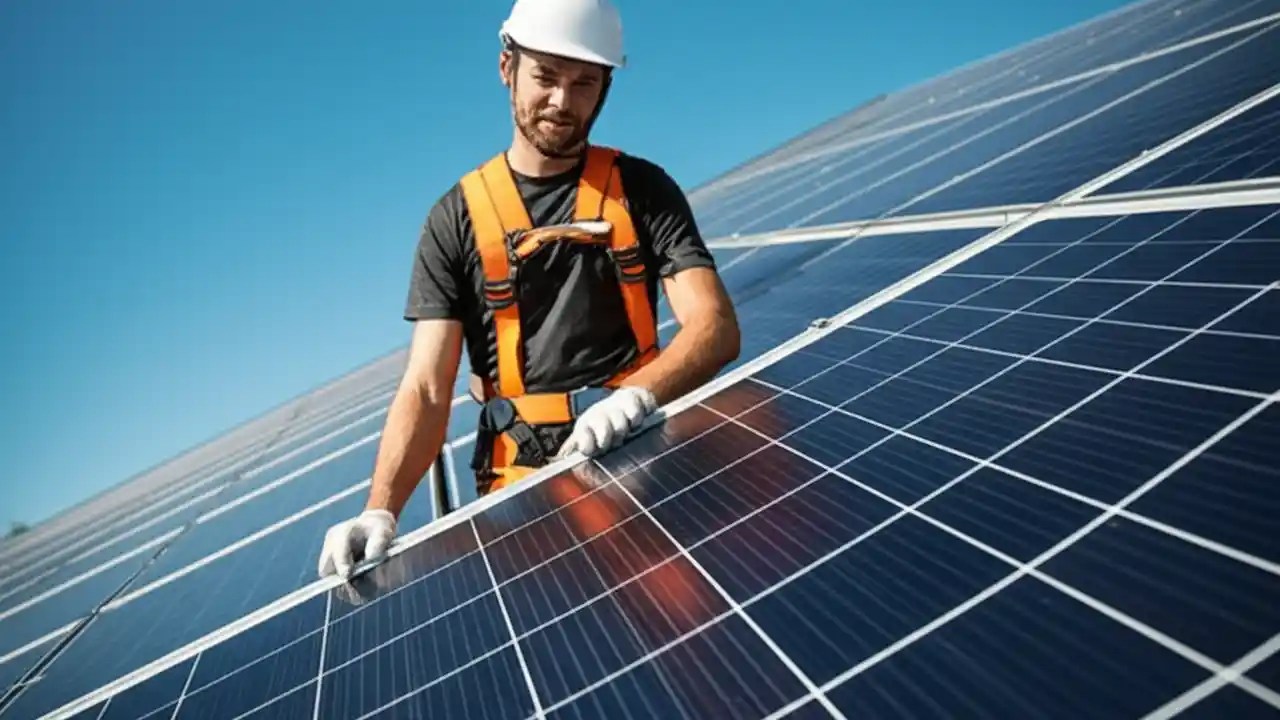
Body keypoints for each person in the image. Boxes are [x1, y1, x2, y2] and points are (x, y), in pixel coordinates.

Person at [317, 0, 740, 579]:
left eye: (584, 82)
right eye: (546, 76)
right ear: (506, 69)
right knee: (546, 630)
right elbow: (427, 388)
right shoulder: (455, 221)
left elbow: (714, 326)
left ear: (606, 88)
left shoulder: (641, 189)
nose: (562, 101)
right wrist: (380, 508)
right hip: (522, 493)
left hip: (640, 455)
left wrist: (636, 398)